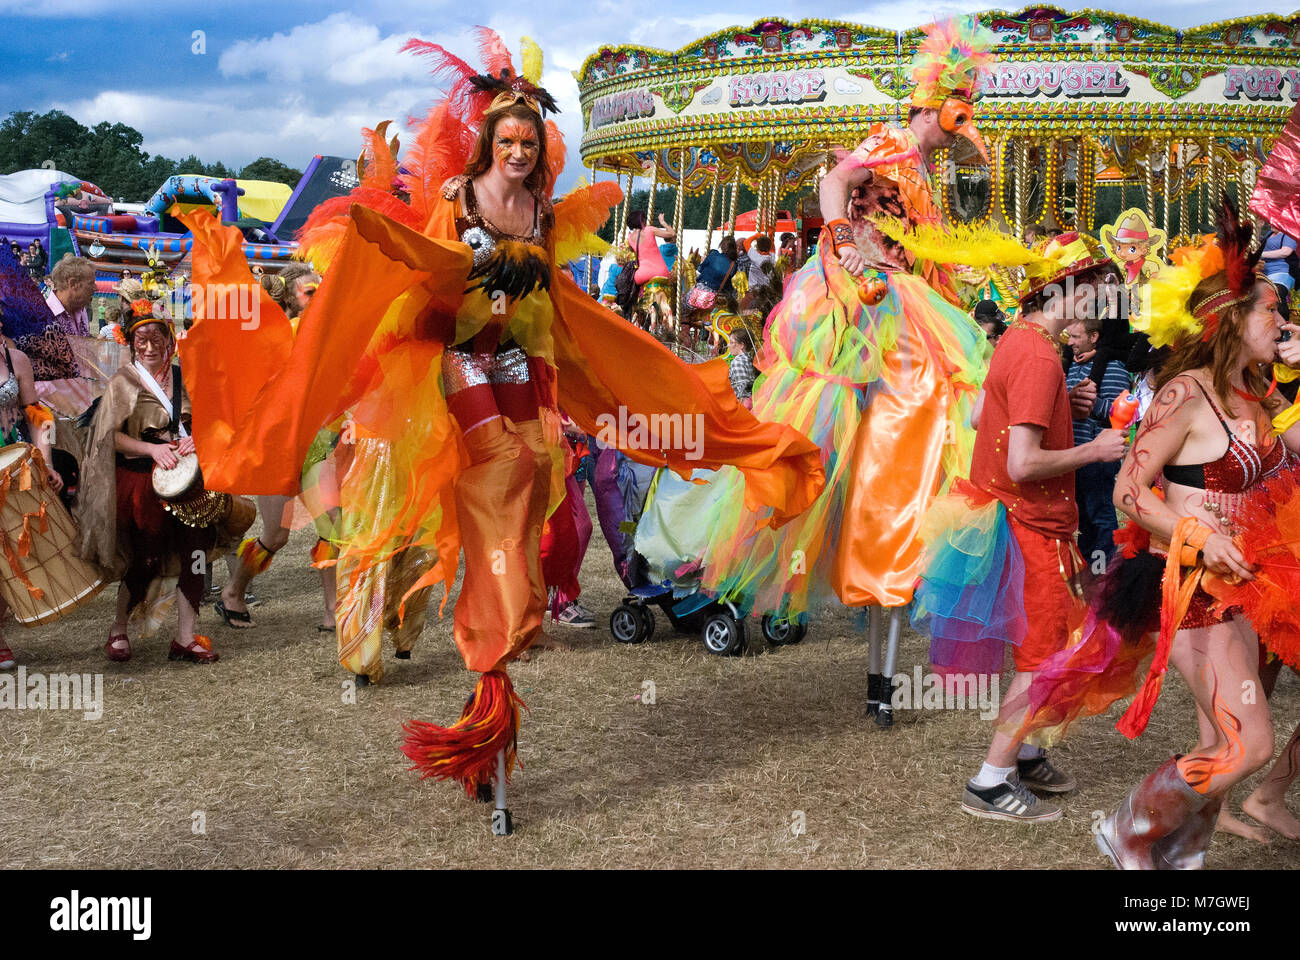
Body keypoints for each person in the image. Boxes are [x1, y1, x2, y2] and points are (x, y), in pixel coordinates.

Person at [182, 31, 823, 808]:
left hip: (518, 351)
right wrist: (460, 273)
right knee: (503, 467)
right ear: (489, 143)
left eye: (529, 142)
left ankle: (512, 611)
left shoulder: (541, 211)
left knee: (535, 469)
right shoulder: (460, 197)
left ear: (540, 149)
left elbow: (550, 297)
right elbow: (427, 277)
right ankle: (493, 629)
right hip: (456, 354)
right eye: (507, 140)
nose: (518, 152)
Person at [697, 17, 994, 726]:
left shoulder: (927, 169)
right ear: (933, 106)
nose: (960, 126)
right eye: (956, 110)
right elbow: (838, 180)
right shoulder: (893, 143)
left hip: (901, 307)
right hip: (864, 313)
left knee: (901, 461)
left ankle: (885, 654)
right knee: (835, 448)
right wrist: (838, 240)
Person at [1089, 204, 1298, 867]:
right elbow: (1127, 489)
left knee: (1221, 738)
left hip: (1252, 586)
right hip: (1191, 587)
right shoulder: (1185, 394)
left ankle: (1177, 850)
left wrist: (1293, 376)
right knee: (1248, 745)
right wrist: (1195, 534)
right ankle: (1131, 827)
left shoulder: (1260, 393)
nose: (1285, 320)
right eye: (1273, 310)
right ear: (1231, 320)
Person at [914, 234, 1127, 822]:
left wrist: (1064, 411)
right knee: (1041, 657)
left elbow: (985, 415)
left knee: (1052, 643)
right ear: (1069, 291)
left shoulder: (1020, 341)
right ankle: (990, 780)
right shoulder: (1038, 356)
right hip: (1033, 526)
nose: (1103, 304)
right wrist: (1096, 449)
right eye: (1096, 292)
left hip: (1014, 522)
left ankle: (1027, 755)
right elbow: (1022, 464)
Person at [75, 297, 220, 664]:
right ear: (131, 343)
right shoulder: (123, 382)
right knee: (146, 557)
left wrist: (198, 437)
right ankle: (119, 626)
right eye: (142, 340)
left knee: (197, 554)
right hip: (141, 481)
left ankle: (185, 637)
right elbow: (109, 436)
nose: (151, 347)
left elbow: (214, 418)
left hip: (190, 479)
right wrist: (151, 450)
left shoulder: (185, 375)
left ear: (171, 341)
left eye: (158, 338)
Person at [213, 262, 337, 634]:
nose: (317, 297)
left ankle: (333, 612)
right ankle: (233, 592)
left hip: (317, 444)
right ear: (288, 297)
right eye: (309, 292)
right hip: (274, 448)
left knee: (334, 527)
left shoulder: (323, 336)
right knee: (277, 535)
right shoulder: (267, 338)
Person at [0, 315, 64, 670]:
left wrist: (45, 462)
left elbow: (40, 416)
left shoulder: (16, 360)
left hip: (14, 466)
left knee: (13, 550)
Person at [1064, 313, 1130, 560]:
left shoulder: (1113, 367)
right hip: (1076, 456)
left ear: (1094, 337)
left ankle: (1104, 575)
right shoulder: (1074, 365)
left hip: (1098, 459)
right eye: (1069, 336)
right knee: (1085, 520)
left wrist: (1090, 404)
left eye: (1075, 336)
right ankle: (1088, 570)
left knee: (1101, 517)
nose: (1070, 342)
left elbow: (1119, 414)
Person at [44, 255, 95, 338]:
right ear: (73, 283)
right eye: (91, 283)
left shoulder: (81, 309)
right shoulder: (44, 316)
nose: (96, 288)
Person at [1261, 224, 1297, 293]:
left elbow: (1285, 252)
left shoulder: (1289, 234)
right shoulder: (1269, 233)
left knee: (1275, 296)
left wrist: (1261, 254)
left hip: (1280, 272)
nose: (1271, 224)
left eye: (1275, 222)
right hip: (1265, 272)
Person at [728, 327, 755, 408]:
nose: (728, 345)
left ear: (741, 345)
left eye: (731, 342)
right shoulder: (752, 359)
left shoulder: (737, 362)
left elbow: (744, 389)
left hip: (744, 406)